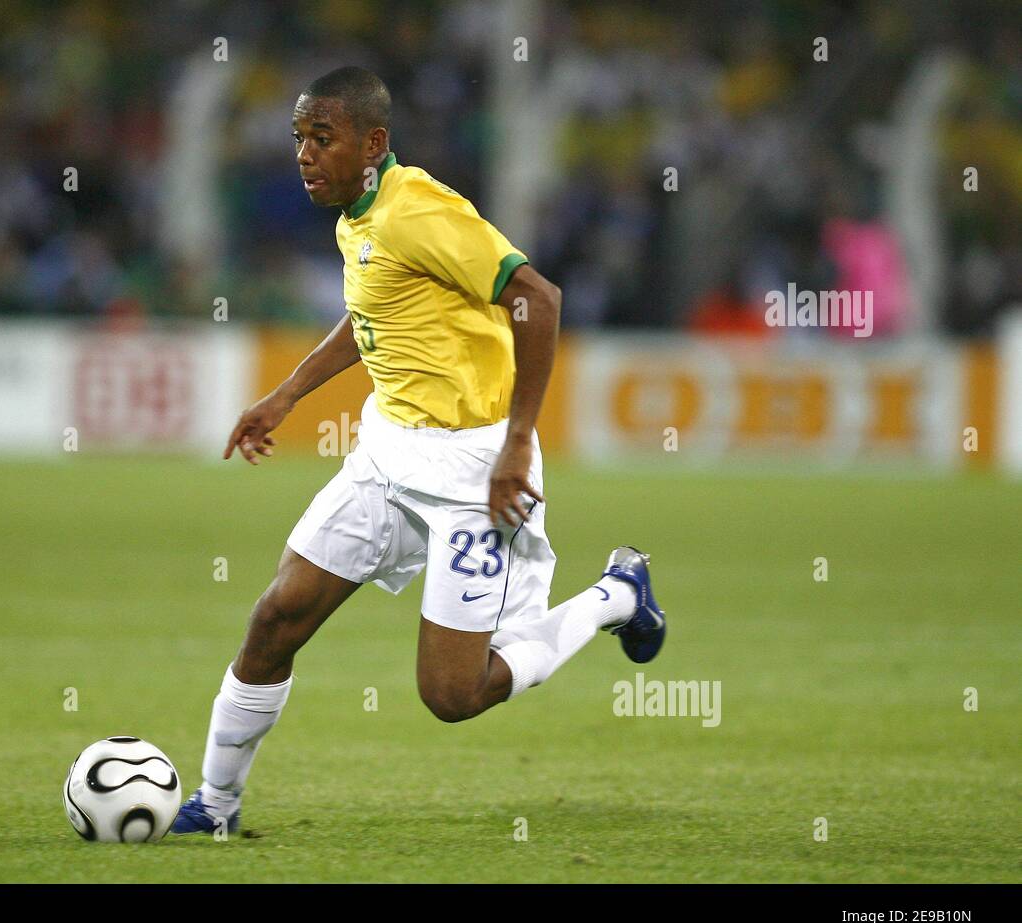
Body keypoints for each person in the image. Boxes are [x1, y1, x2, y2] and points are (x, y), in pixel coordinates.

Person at [172, 67, 666, 835]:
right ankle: (215, 807)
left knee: (452, 695)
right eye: (299, 138)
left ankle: (618, 595)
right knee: (277, 617)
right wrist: (288, 395)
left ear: (372, 143)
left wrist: (518, 442)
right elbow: (373, 313)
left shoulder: (420, 210)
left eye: (322, 139)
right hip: (387, 453)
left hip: (474, 472)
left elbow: (538, 299)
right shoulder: (356, 216)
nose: (305, 155)